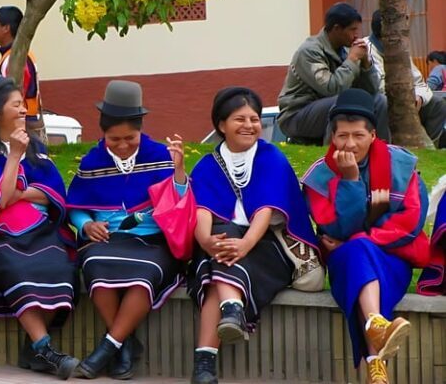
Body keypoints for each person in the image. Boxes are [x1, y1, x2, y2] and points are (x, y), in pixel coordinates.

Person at [188, 87, 319, 384]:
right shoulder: (207, 165)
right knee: (221, 251)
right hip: (218, 247)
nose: (250, 125)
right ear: (221, 125)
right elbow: (201, 210)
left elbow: (266, 209)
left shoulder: (271, 157)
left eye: (254, 118)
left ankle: (205, 360)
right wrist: (205, 241)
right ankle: (230, 311)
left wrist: (245, 243)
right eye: (240, 119)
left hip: (265, 246)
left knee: (220, 267)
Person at [303, 88, 429, 384]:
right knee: (356, 254)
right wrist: (350, 182)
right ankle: (377, 331)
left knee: (358, 248)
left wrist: (361, 238)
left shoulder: (402, 164)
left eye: (358, 135)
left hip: (392, 258)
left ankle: (375, 353)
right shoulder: (319, 176)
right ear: (332, 137)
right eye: (342, 135)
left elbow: (410, 220)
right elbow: (335, 228)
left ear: (373, 134)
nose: (350, 143)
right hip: (345, 260)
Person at [66, 80, 189, 380]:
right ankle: (124, 345)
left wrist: (179, 171)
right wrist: (87, 225)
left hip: (153, 240)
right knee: (95, 266)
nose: (122, 146)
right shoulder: (93, 161)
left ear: (141, 130)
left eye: (130, 138)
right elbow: (77, 206)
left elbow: (180, 203)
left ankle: (108, 348)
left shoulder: (161, 155)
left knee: (141, 277)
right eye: (114, 139)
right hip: (108, 240)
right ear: (103, 133)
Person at [0, 69, 78, 380]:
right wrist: (13, 158)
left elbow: (52, 193)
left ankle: (34, 349)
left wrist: (20, 192)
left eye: (22, 103)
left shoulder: (36, 149)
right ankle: (44, 348)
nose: (23, 109)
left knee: (61, 265)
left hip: (40, 232)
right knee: (17, 268)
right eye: (15, 105)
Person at [278, 2, 388, 144]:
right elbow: (331, 89)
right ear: (336, 29)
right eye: (352, 30)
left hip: (329, 106)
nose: (356, 35)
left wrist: (366, 64)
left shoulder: (348, 48)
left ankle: (382, 149)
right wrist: (352, 60)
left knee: (380, 100)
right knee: (342, 101)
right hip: (297, 114)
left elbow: (372, 90)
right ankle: (334, 154)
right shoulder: (309, 51)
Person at [366, 10, 446, 147]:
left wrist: (419, 97)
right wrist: (407, 98)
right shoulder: (366, 49)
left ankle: (429, 150)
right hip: (379, 103)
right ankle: (389, 149)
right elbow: (379, 87)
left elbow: (421, 83)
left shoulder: (400, 49)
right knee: (385, 102)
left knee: (437, 103)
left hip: (410, 101)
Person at [0, 6, 43, 135]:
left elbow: (16, 92)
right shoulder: (12, 55)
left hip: (21, 122)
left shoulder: (15, 58)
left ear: (6, 28)